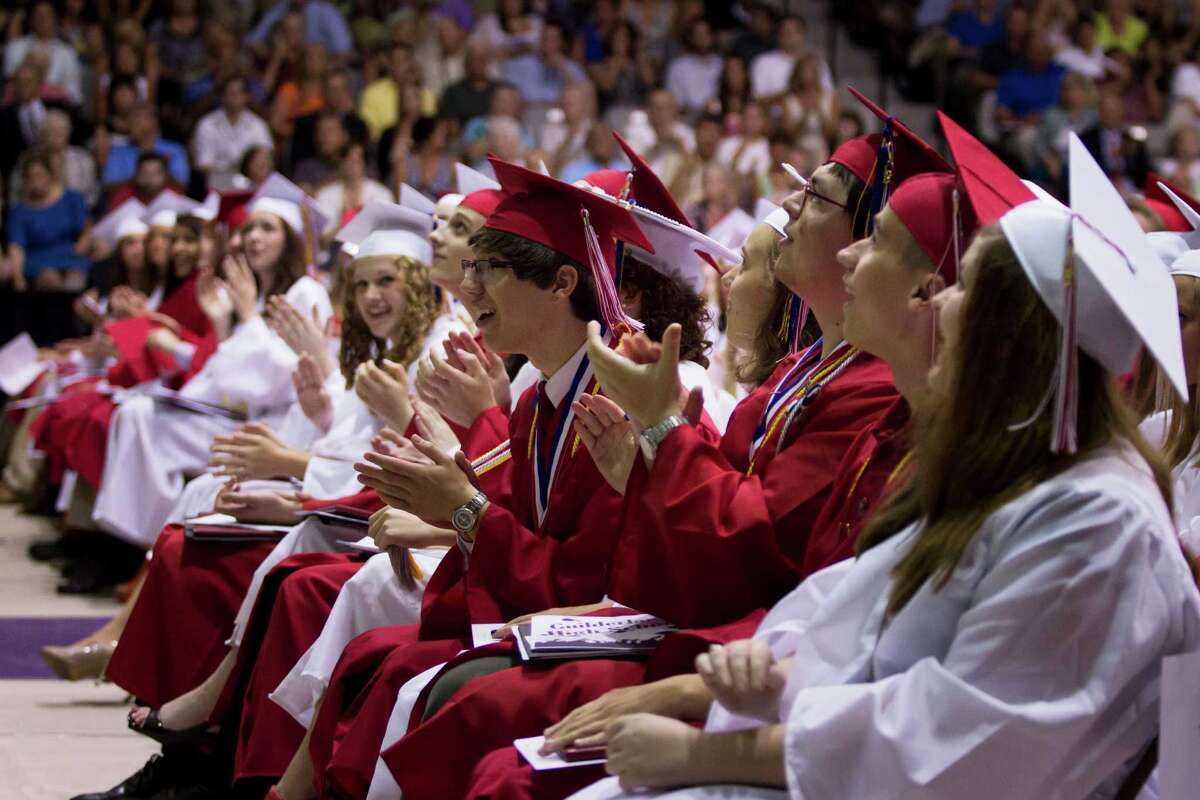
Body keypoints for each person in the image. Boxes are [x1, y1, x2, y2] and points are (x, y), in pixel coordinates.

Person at [563, 135, 1199, 800]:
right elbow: (865, 621)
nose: (939, 302)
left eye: (963, 288)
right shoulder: (1012, 470)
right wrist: (777, 671)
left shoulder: (1095, 522)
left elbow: (957, 747)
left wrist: (703, 753)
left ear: (1010, 332)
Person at [90, 174, 333, 549]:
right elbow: (229, 371)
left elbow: (283, 377)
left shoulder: (307, 291)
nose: (253, 237)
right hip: (239, 412)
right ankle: (135, 541)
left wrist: (247, 317)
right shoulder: (259, 293)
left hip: (280, 425)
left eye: (267, 229)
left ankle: (141, 546)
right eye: (250, 228)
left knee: (143, 418)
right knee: (138, 411)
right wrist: (222, 323)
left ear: (290, 239)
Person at [2, 148, 91, 292]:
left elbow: (86, 230)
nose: (35, 182)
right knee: (49, 280)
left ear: (50, 174)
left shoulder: (72, 199)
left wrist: (82, 246)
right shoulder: (19, 212)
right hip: (38, 262)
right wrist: (18, 278)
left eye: (39, 175)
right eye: (30, 178)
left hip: (71, 256)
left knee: (75, 281)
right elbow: (16, 247)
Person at [191, 75, 274, 190]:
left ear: (246, 96)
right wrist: (229, 173)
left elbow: (265, 159)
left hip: (253, 186)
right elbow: (204, 165)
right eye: (230, 93)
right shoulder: (207, 124)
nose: (235, 97)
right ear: (222, 96)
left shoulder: (258, 125)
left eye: (238, 92)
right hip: (218, 186)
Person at [2, 0, 83, 104]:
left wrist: (41, 90)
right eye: (38, 14)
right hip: (19, 108)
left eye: (47, 15)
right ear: (31, 19)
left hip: (57, 108)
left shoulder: (67, 53)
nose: (42, 19)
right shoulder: (14, 48)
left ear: (55, 19)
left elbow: (74, 95)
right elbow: (8, 91)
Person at [100, 103, 190, 188]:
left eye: (138, 120)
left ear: (154, 123)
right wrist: (140, 177)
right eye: (130, 121)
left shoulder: (175, 150)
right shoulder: (117, 153)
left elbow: (182, 187)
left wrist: (162, 168)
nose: (133, 125)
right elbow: (109, 187)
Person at [314, 141, 394, 234]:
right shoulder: (325, 194)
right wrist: (343, 223)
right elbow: (322, 236)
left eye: (357, 161)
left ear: (364, 164)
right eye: (348, 160)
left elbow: (386, 232)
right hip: (334, 242)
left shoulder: (382, 194)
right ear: (340, 162)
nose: (352, 165)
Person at [500, 21, 586, 106]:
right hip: (528, 110)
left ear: (562, 43)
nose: (548, 44)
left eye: (553, 40)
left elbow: (583, 96)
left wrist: (563, 69)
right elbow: (509, 94)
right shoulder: (521, 64)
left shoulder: (571, 67)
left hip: (560, 110)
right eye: (545, 38)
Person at [664, 18, 722, 115]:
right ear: (691, 38)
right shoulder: (678, 67)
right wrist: (699, 109)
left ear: (712, 36)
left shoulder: (721, 64)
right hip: (687, 117)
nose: (702, 38)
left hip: (718, 116)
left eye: (705, 33)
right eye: (698, 34)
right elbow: (675, 102)